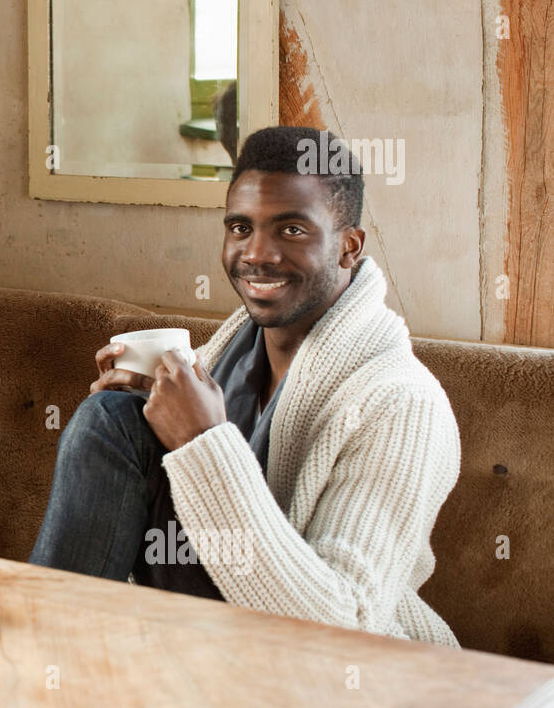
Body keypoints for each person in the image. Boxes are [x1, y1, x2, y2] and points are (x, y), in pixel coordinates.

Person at [29, 126, 461, 647]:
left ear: (349, 247)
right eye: (240, 227)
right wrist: (155, 415)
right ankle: (48, 667)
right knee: (114, 417)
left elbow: (348, 626)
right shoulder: (223, 360)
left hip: (348, 676)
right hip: (212, 634)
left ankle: (38, 673)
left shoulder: (402, 403)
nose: (257, 254)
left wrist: (200, 442)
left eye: (292, 231)